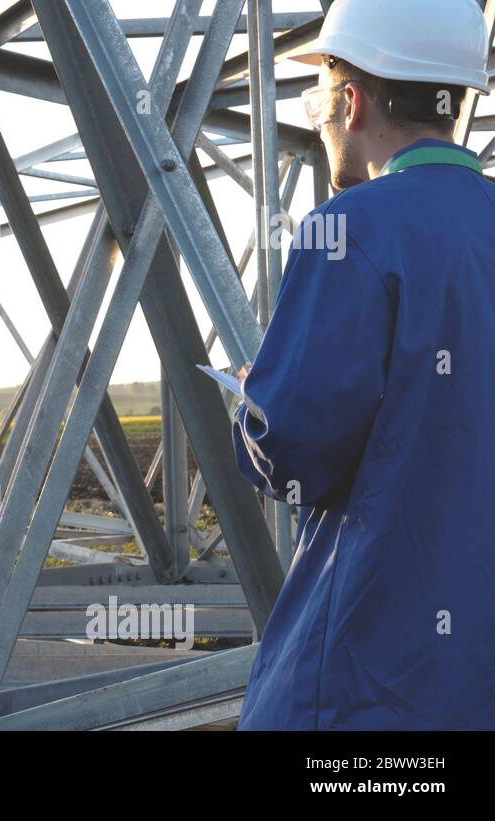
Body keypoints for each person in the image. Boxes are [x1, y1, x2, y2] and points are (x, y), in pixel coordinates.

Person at [232, 0, 495, 729]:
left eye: (319, 96)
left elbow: (291, 451)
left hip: (368, 684)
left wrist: (254, 404)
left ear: (352, 102)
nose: (317, 116)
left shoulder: (349, 230)